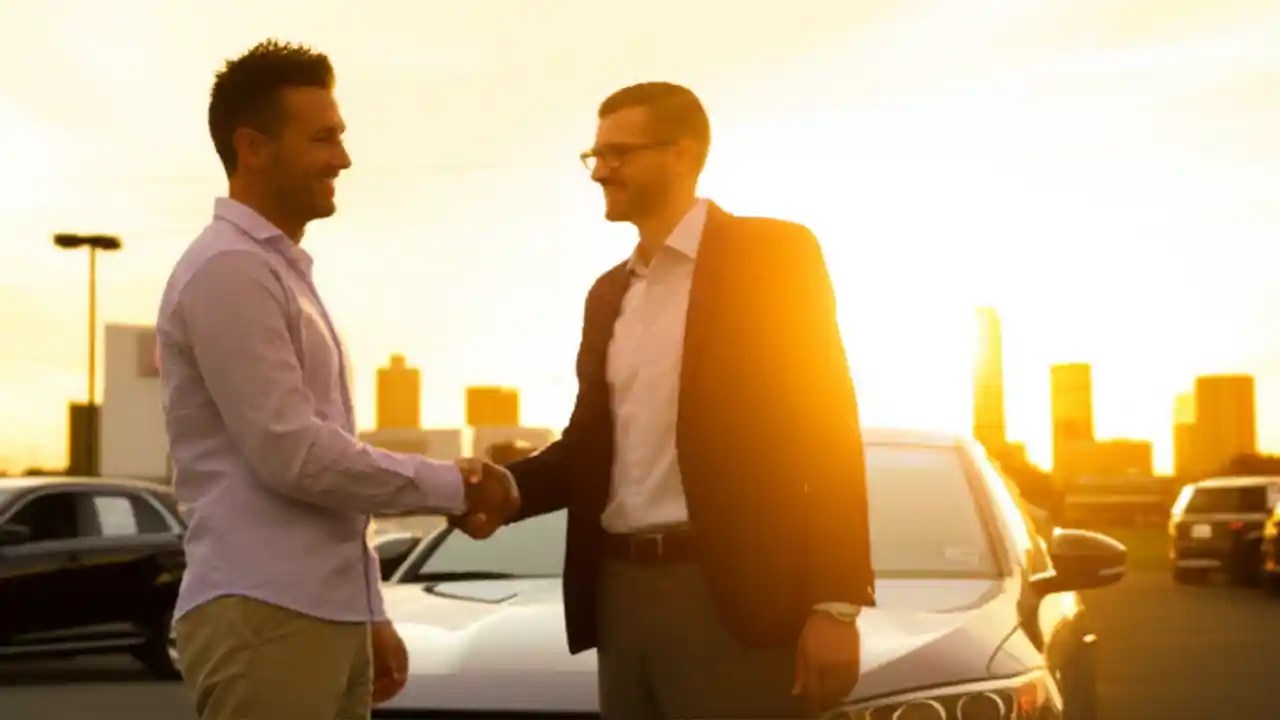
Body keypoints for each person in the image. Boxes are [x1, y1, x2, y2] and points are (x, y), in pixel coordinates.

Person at [453, 82, 875, 719]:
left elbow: (829, 428)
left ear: (682, 154)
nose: (600, 172)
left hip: (731, 598)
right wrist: (502, 489)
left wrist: (836, 605)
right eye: (594, 155)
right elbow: (590, 447)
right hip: (620, 599)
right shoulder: (607, 295)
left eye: (619, 154)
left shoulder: (773, 256)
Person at [156, 39, 514, 720]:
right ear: (253, 148)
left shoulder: (278, 272)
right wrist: (452, 486)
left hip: (317, 614)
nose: (343, 159)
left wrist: (368, 607)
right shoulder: (229, 271)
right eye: (324, 138)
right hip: (264, 615)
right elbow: (293, 455)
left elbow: (328, 470)